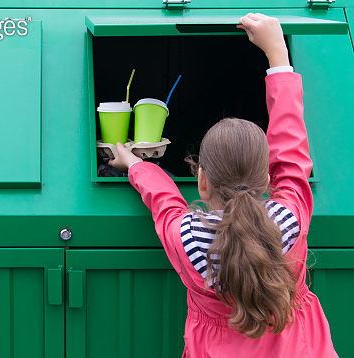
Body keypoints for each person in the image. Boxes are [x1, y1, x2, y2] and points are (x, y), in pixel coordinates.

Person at [109, 13, 337, 358]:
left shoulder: (183, 237)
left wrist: (136, 164)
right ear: (266, 177)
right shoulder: (291, 218)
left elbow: (166, 201)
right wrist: (278, 55)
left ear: (201, 181)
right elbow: (291, 155)